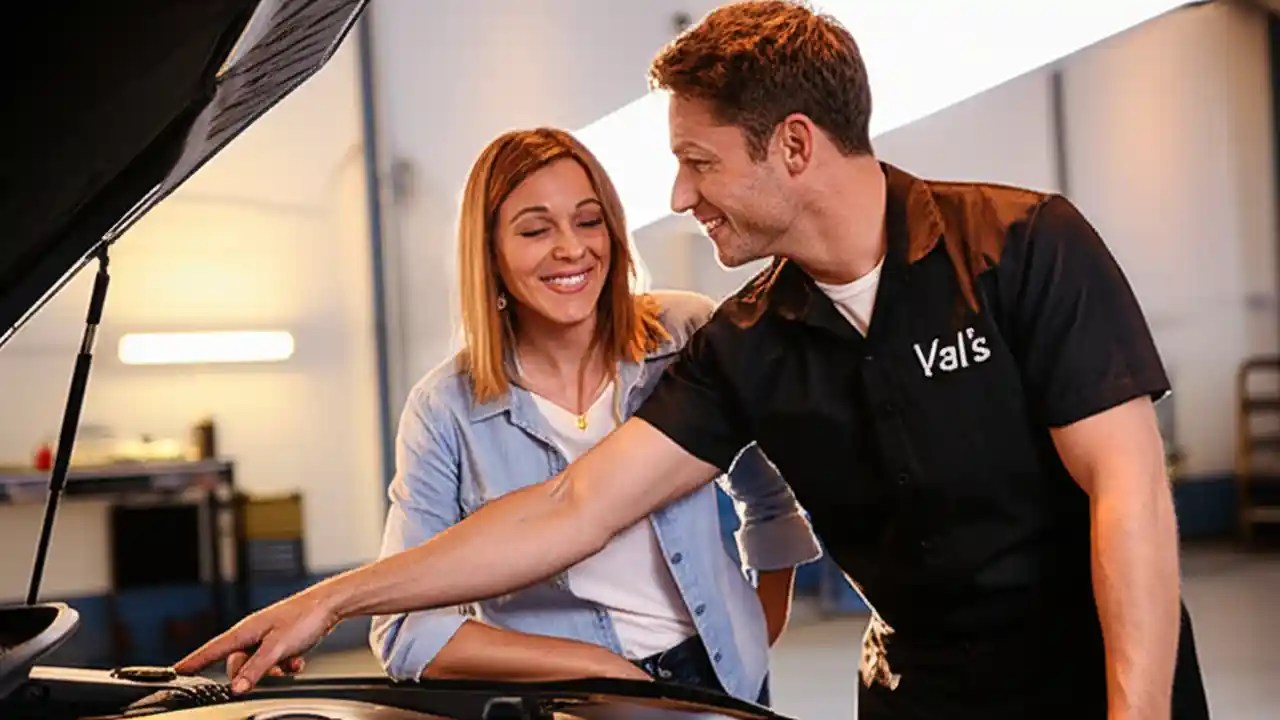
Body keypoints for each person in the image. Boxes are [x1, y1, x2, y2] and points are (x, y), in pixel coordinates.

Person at [176, 2, 1210, 718]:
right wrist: (334, 597)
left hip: (1101, 681)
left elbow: (1126, 493)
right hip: (917, 697)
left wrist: (1137, 712)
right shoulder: (743, 343)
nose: (676, 197)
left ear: (792, 147)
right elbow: (571, 506)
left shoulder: (1023, 246)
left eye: (697, 160)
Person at [240, 127, 820, 703]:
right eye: (536, 230)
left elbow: (770, 500)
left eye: (589, 221)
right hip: (571, 698)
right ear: (490, 253)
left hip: (723, 683)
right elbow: (406, 633)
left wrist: (751, 637)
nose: (571, 248)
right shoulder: (445, 412)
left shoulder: (686, 334)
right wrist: (596, 668)